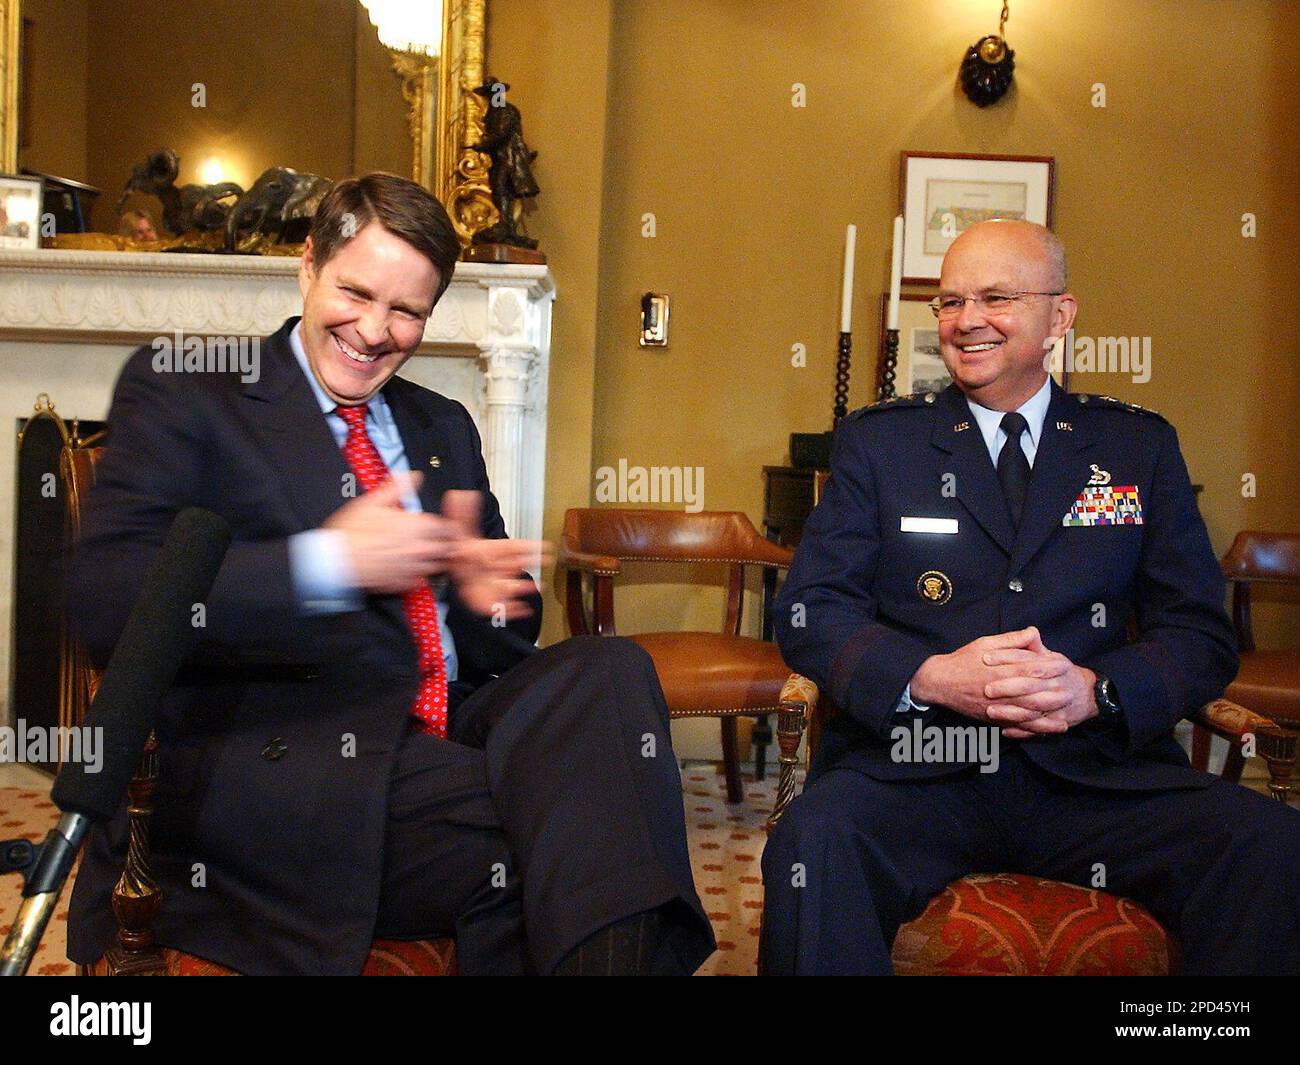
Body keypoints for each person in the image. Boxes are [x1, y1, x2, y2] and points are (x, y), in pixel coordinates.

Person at [66, 172, 714, 975]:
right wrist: (327, 563)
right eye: (356, 292)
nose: (375, 331)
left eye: (407, 310)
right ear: (308, 265)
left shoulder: (441, 425)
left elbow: (505, 651)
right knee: (593, 826)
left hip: (438, 744)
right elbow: (108, 601)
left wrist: (485, 596)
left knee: (611, 672)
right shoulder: (191, 395)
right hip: (279, 769)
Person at [762, 219, 1300, 975]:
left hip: (1096, 768)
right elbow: (811, 610)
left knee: (1271, 846)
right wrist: (930, 676)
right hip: (924, 760)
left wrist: (1098, 690)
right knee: (810, 845)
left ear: (1061, 316)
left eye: (996, 297)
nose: (966, 319)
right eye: (950, 301)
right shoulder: (881, 444)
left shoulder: (1135, 447)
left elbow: (1200, 633)